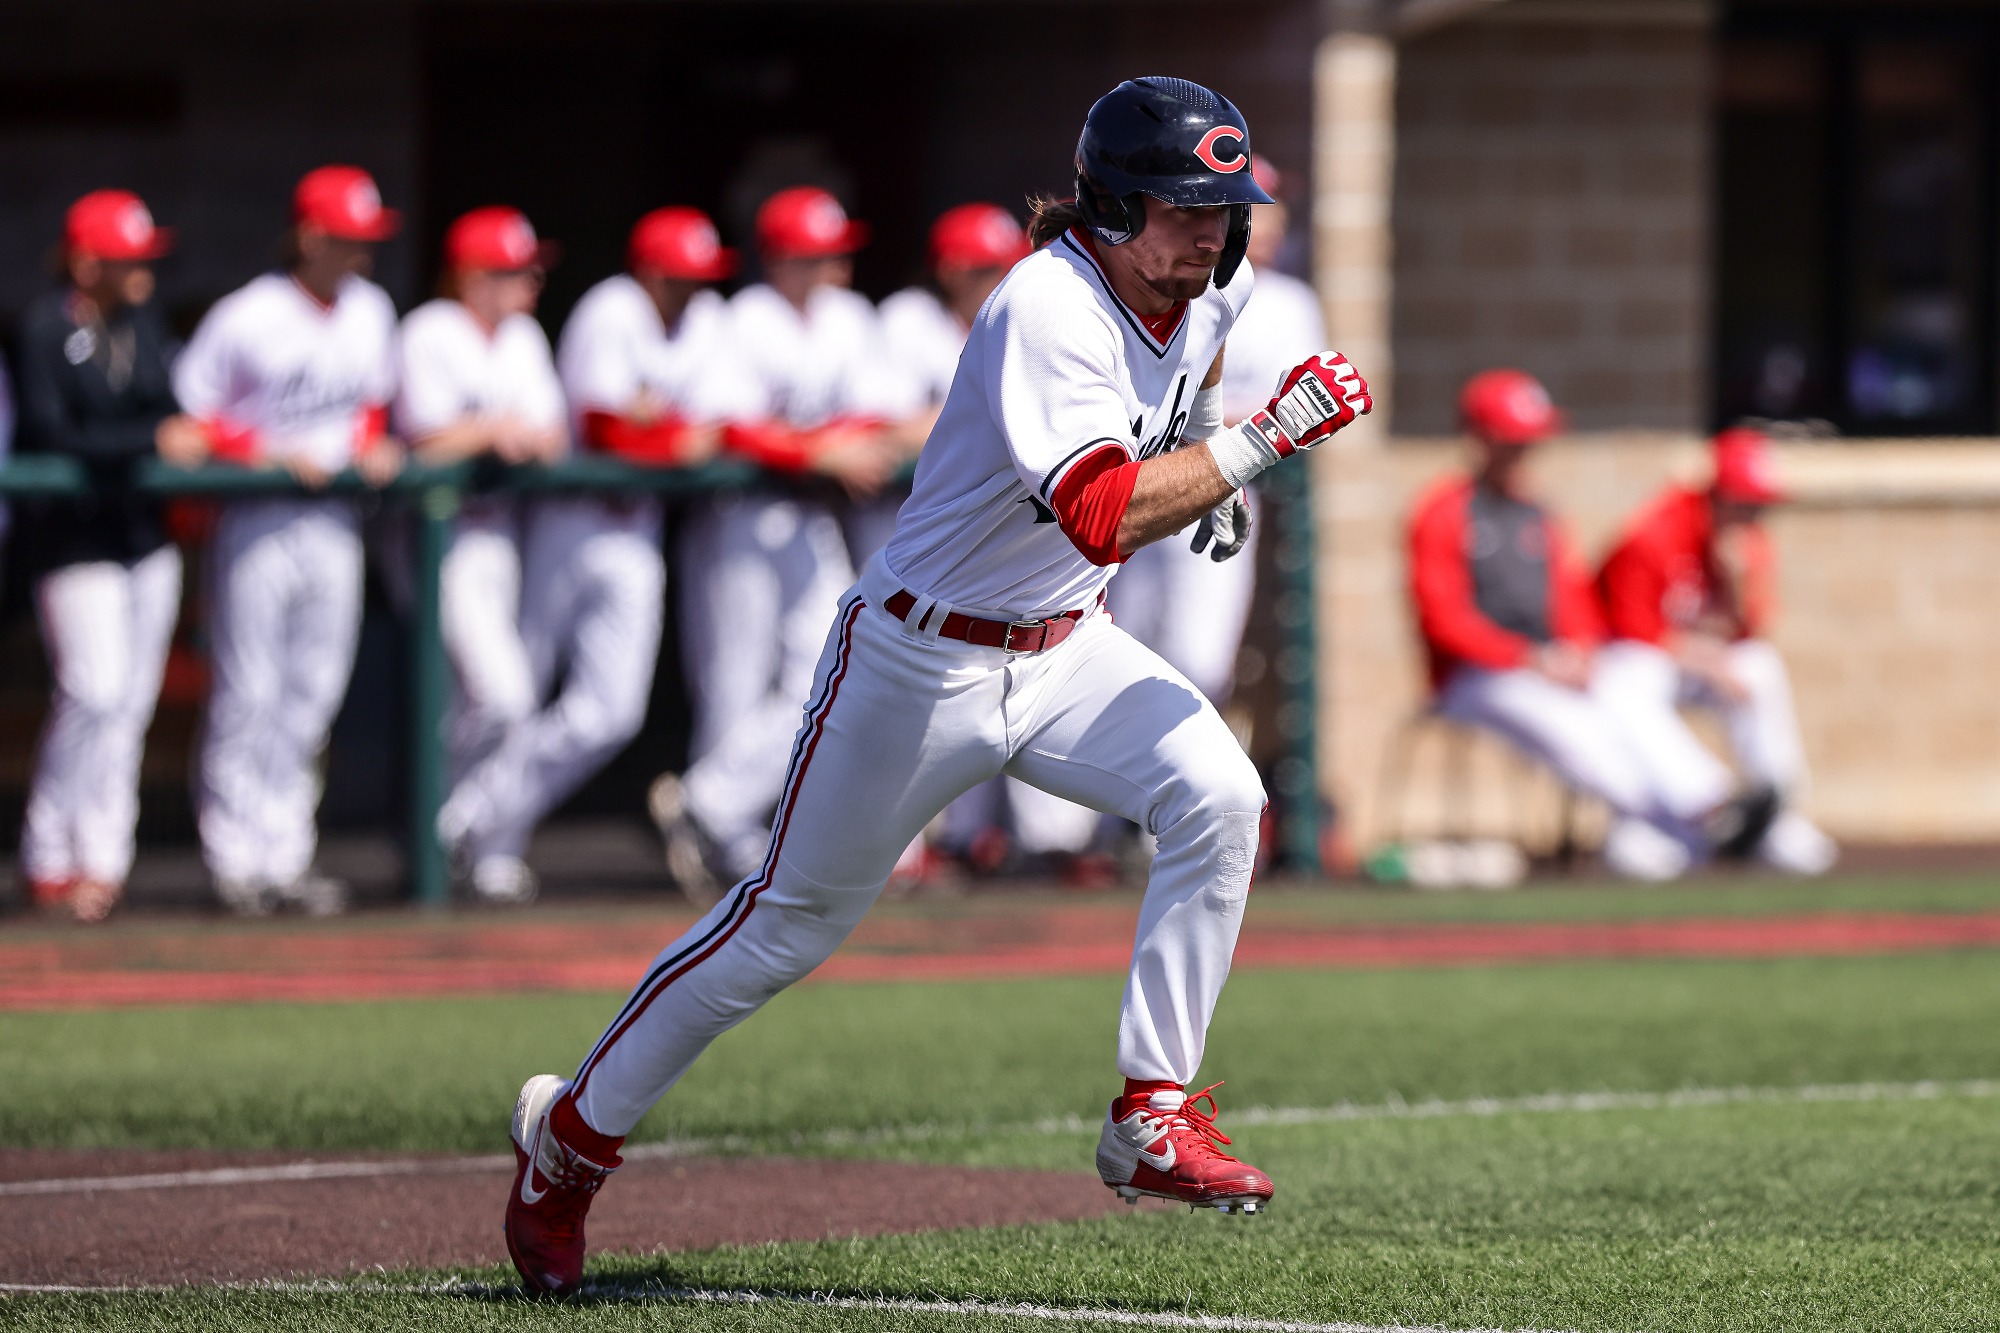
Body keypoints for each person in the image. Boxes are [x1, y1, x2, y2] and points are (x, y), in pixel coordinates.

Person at [506, 75, 1372, 1294]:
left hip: (1065, 643)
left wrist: (1218, 468)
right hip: (923, 656)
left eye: (1222, 208)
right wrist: (1253, 450)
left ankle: (1151, 1109)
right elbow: (1099, 510)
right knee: (783, 927)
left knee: (1223, 799)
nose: (1210, 232)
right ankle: (571, 1142)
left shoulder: (1207, 287)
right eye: (1184, 207)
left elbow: (1201, 381)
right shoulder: (1045, 306)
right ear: (1116, 205)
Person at [445, 207, 744, 907]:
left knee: (611, 711)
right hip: (566, 524)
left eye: (702, 277)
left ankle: (465, 818)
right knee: (515, 692)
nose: (694, 289)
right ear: (650, 270)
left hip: (636, 530)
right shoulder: (611, 310)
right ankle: (489, 849)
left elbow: (723, 426)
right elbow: (610, 428)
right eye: (681, 276)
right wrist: (671, 436)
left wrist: (662, 428)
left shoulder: (704, 325)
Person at [648, 186, 922, 901]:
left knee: (826, 668)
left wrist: (822, 447)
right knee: (732, 686)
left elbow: (879, 415)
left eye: (835, 253)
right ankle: (725, 841)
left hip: (805, 516)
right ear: (781, 258)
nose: (831, 266)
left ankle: (707, 802)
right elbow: (725, 425)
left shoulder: (849, 318)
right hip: (740, 514)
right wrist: (816, 452)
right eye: (816, 254)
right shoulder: (744, 319)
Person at [174, 164, 404, 916]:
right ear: (309, 236)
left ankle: (285, 855)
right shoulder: (249, 314)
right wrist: (266, 452)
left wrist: (372, 444)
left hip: (336, 522)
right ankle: (234, 860)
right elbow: (187, 422)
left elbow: (368, 405)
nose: (361, 253)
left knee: (312, 693)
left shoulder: (371, 310)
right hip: (259, 518)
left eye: (366, 239)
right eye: (347, 238)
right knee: (249, 690)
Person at [1407, 369, 1700, 881]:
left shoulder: (1537, 512)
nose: (1524, 453)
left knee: (1626, 686)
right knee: (1569, 722)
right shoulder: (1442, 511)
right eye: (1513, 442)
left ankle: (1703, 805)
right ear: (1479, 439)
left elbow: (1573, 598)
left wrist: (1581, 651)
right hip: (1474, 678)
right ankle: (1656, 822)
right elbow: (1444, 621)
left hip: (1546, 665)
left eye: (1530, 442)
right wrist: (1531, 660)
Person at [883, 204, 1101, 881]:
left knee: (1012, 665)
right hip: (899, 522)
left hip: (996, 527)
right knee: (919, 682)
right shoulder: (906, 321)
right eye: (983, 267)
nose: (999, 277)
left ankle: (1018, 837)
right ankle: (916, 846)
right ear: (950, 269)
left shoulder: (1027, 308)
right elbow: (874, 429)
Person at [14, 190, 208, 923]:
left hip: (142, 539)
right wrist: (146, 442)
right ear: (87, 261)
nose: (143, 268)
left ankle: (102, 861)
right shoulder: (42, 328)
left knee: (127, 703)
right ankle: (48, 856)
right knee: (91, 691)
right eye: (128, 257)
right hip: (74, 542)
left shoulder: (144, 327)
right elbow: (48, 433)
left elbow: (163, 408)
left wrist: (160, 435)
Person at [398, 206, 565, 904]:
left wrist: (508, 434)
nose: (530, 282)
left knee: (487, 700)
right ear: (471, 277)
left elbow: (554, 438)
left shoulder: (522, 336)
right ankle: (441, 830)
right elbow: (420, 442)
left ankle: (451, 833)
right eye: (513, 271)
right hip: (439, 536)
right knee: (500, 694)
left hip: (500, 536)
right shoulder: (429, 331)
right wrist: (491, 431)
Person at [1110, 155, 1316, 711]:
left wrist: (1206, 419)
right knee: (1113, 656)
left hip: (1224, 486)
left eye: (1271, 212)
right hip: (1138, 482)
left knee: (1198, 666)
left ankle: (1168, 795)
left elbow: (1289, 410)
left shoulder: (1288, 302)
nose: (1266, 225)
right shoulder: (1165, 285)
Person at [1593, 426, 1837, 875]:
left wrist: (1736, 581)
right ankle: (1707, 806)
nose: (1756, 517)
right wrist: (1708, 662)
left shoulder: (1748, 543)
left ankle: (1775, 812)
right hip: (1639, 659)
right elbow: (1635, 632)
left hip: (1693, 661)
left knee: (1759, 668)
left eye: (1762, 507)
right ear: (1720, 494)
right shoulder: (1653, 532)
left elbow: (1750, 630)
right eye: (1748, 504)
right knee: (1627, 682)